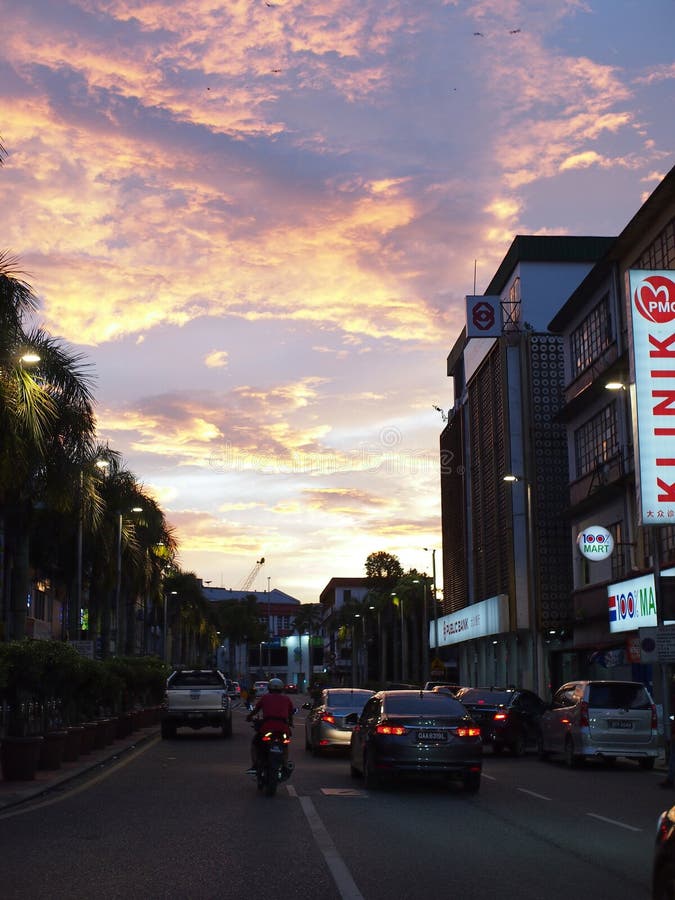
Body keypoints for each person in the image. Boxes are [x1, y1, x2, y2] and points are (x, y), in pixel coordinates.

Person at [246, 677, 295, 775]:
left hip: (267, 727)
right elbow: (290, 713)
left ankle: (255, 765)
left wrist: (249, 717)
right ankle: (285, 764)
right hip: (283, 728)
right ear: (281, 688)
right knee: (285, 745)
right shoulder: (286, 699)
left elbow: (256, 710)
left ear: (269, 688)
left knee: (255, 744)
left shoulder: (265, 698)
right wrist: (291, 722)